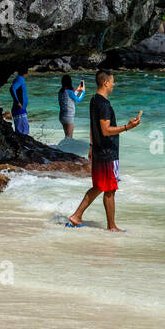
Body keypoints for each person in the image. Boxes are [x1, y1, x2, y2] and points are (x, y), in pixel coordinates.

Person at [66, 70, 142, 231]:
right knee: (110, 189)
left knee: (100, 186)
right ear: (106, 83)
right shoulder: (104, 104)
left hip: (99, 150)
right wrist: (128, 127)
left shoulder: (94, 100)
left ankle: (76, 216)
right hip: (108, 153)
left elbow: (93, 127)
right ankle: (112, 226)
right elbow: (106, 130)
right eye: (112, 81)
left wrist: (92, 146)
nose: (113, 84)